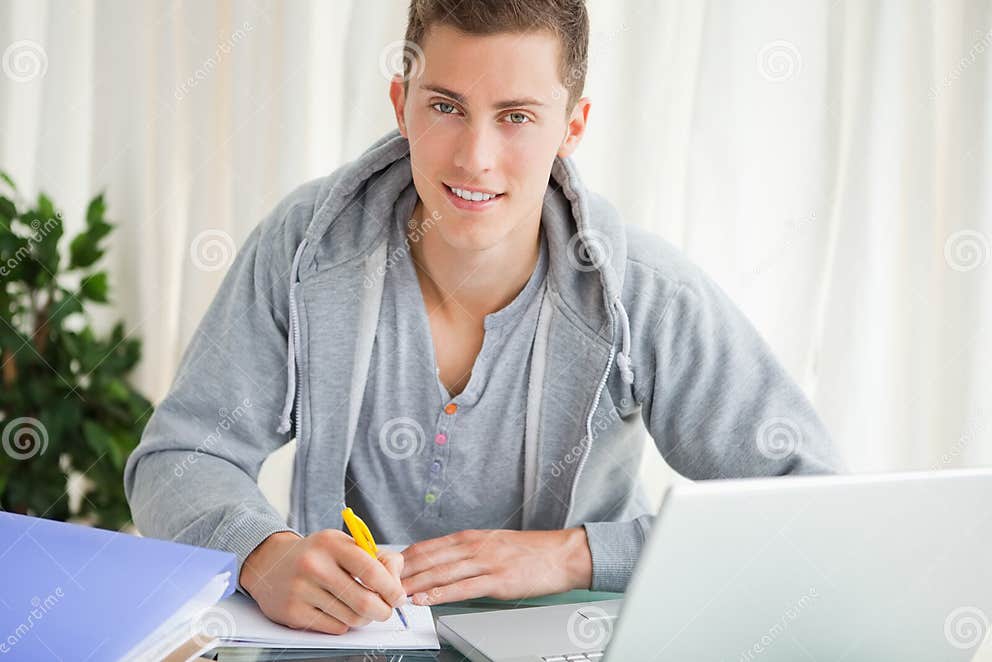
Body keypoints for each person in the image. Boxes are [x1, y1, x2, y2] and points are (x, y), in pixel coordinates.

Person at [124, 0, 843, 636]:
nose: (475, 158)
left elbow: (808, 512)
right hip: (348, 648)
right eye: (445, 107)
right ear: (400, 102)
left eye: (517, 117)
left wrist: (574, 555)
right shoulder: (303, 248)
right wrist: (262, 552)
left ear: (574, 126)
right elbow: (178, 459)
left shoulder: (647, 293)